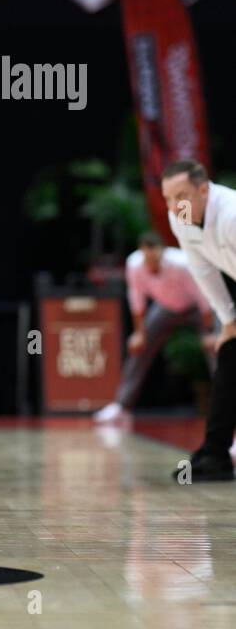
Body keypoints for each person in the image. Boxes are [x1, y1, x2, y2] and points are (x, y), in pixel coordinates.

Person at [162, 160, 236, 482]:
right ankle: (215, 453)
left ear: (204, 190)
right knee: (229, 360)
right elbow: (203, 271)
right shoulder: (179, 218)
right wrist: (229, 320)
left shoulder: (232, 215)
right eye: (168, 198)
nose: (174, 205)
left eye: (181, 195)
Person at [95, 229, 213, 423]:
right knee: (139, 347)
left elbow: (205, 299)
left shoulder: (182, 265)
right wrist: (139, 333)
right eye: (147, 255)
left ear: (163, 251)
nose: (151, 261)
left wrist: (208, 333)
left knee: (219, 348)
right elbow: (137, 300)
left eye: (155, 255)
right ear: (142, 252)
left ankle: (229, 410)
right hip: (165, 307)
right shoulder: (134, 265)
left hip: (197, 308)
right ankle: (121, 406)